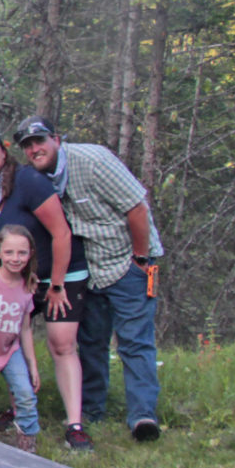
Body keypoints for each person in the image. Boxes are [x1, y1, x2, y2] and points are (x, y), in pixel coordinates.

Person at [15, 116, 164, 440]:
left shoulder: (93, 161)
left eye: (40, 140)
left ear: (56, 138)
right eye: (27, 145)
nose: (34, 149)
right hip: (89, 270)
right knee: (91, 342)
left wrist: (139, 259)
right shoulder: (39, 178)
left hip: (128, 263)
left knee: (134, 341)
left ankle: (142, 417)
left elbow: (137, 208)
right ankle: (93, 410)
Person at [0, 127, 91, 450]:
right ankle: (18, 406)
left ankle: (74, 424)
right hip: (19, 278)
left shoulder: (28, 181)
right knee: (9, 335)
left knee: (62, 344)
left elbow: (61, 233)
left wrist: (56, 284)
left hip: (59, 274)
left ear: (4, 153)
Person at [0, 226, 41, 451]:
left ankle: (27, 446)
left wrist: (32, 365)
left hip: (9, 350)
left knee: (26, 395)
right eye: (10, 252)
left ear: (30, 254)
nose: (16, 258)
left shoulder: (28, 286)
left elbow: (25, 329)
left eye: (22, 253)